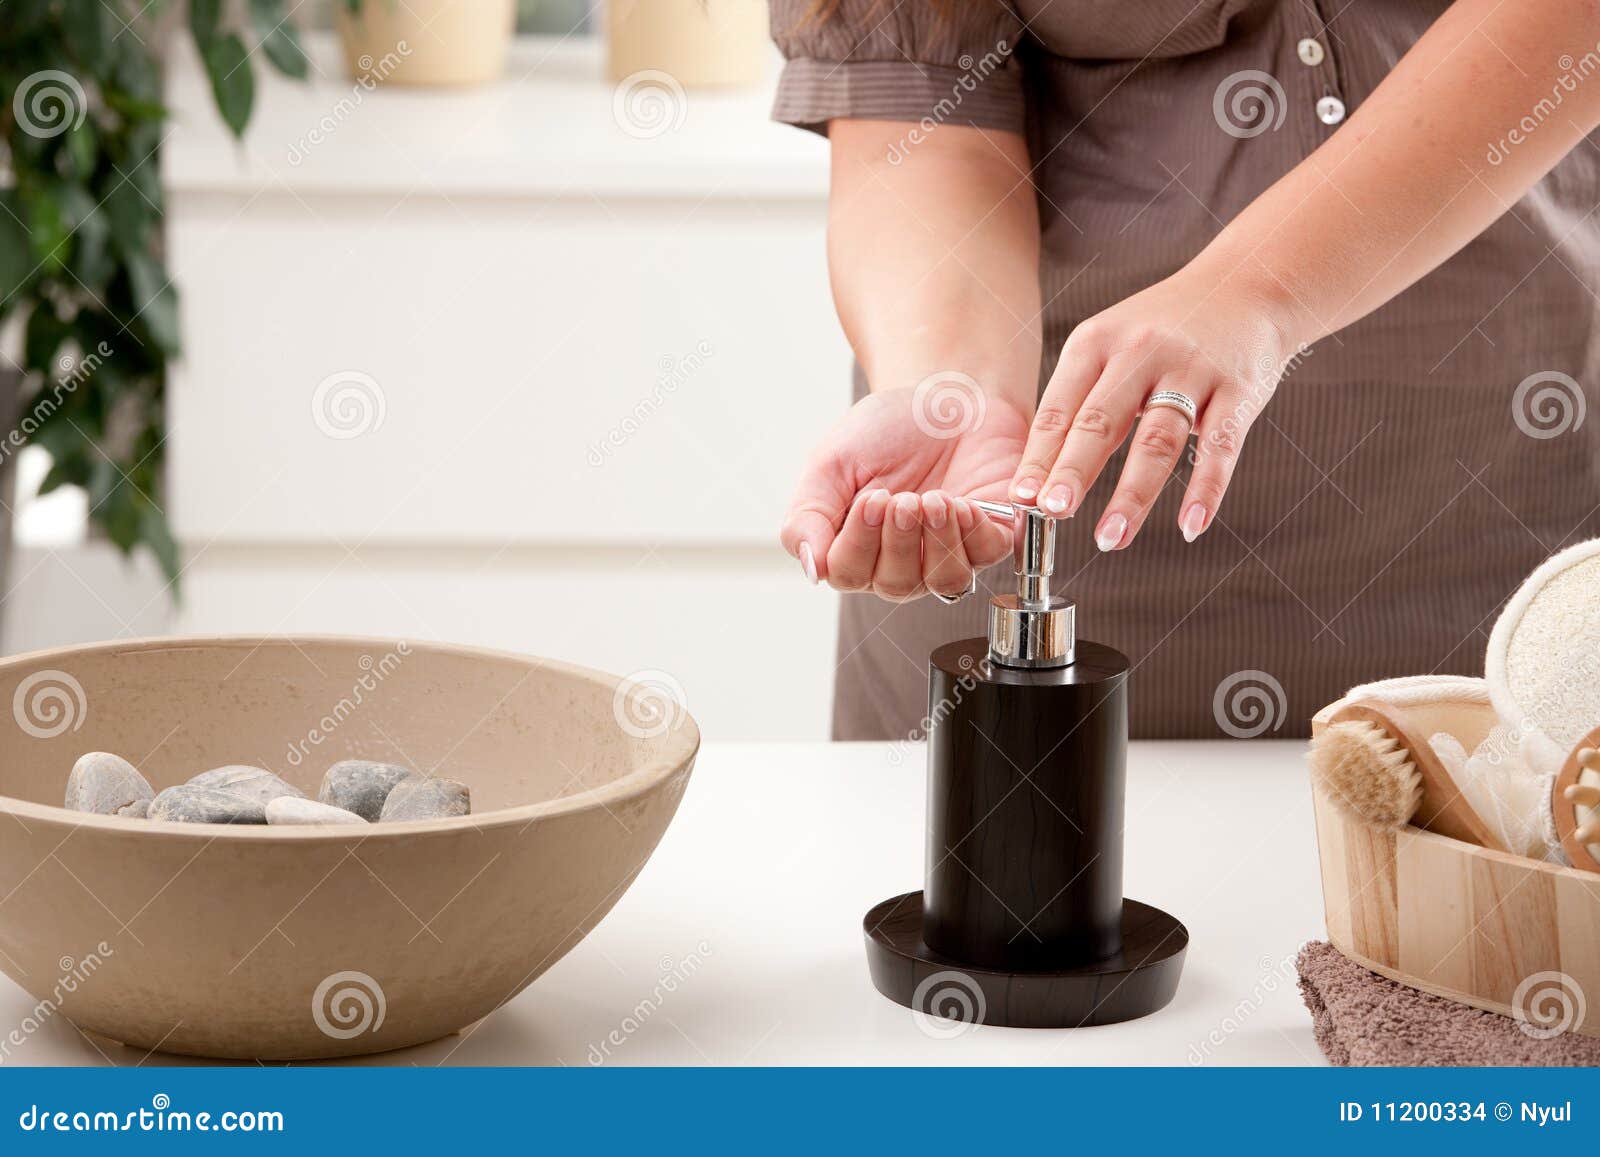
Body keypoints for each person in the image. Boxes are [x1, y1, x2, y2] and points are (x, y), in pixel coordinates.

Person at [772, 0, 1600, 739]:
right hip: (1061, 645)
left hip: (1507, 571)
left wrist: (1255, 288)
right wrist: (952, 390)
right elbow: (918, 109)